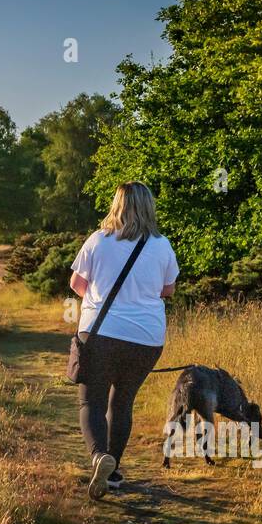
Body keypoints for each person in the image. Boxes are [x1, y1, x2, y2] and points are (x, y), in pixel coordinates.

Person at [68, 182, 179, 500]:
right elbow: (167, 290)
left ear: (117, 204)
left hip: (101, 333)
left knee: (92, 401)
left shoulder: (98, 239)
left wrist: (99, 298)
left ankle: (99, 456)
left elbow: (77, 283)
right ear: (149, 206)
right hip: (146, 338)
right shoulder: (161, 245)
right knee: (123, 401)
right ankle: (113, 473)